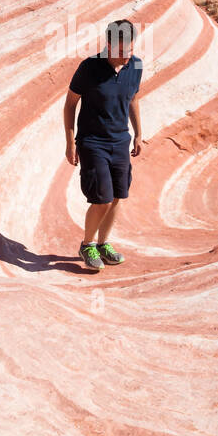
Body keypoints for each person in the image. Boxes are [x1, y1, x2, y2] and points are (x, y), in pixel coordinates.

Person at [63, 20, 144, 271]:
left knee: (118, 196)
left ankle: (103, 244)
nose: (127, 56)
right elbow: (70, 104)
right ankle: (87, 245)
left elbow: (133, 99)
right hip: (92, 142)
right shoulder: (89, 68)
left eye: (130, 50)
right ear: (109, 46)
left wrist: (139, 133)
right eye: (122, 52)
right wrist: (70, 141)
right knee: (102, 200)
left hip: (121, 140)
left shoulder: (135, 65)